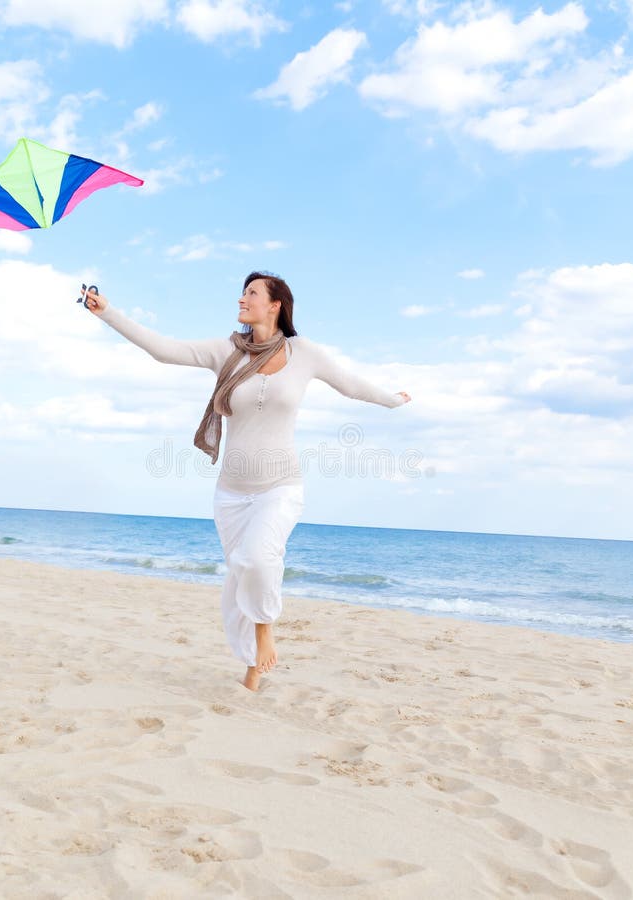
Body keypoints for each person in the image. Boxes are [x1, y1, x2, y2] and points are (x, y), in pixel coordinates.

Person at [84, 273, 411, 691]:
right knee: (241, 574)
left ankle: (264, 632)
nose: (242, 299)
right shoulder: (227, 352)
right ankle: (253, 666)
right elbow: (164, 350)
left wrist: (392, 399)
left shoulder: (303, 352)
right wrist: (107, 312)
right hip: (232, 493)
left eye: (252, 293)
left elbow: (350, 384)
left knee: (258, 559)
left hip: (281, 486)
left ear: (275, 305)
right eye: (243, 292)